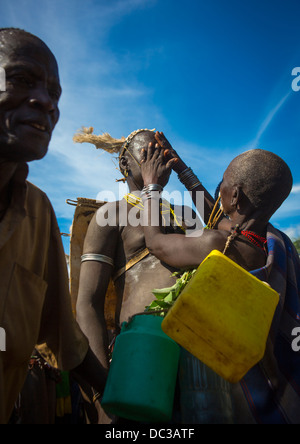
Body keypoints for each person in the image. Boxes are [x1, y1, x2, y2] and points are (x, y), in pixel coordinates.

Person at [139, 139, 300, 424]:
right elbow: (221, 221)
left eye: (223, 182)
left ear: (235, 195)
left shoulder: (216, 243)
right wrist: (182, 170)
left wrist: (151, 185)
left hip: (230, 400)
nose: (219, 187)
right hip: (278, 394)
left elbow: (157, 244)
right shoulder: (277, 244)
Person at [0, 28, 107, 424]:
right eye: (22, 80)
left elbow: (61, 332)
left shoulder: (38, 211)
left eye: (54, 94)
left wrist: (118, 400)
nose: (45, 102)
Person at [73, 127, 207, 423]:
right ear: (125, 164)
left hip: (194, 360)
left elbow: (221, 227)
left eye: (165, 154)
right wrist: (104, 386)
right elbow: (87, 303)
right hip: (138, 359)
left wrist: (184, 169)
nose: (158, 161)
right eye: (148, 154)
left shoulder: (185, 214)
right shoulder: (112, 214)